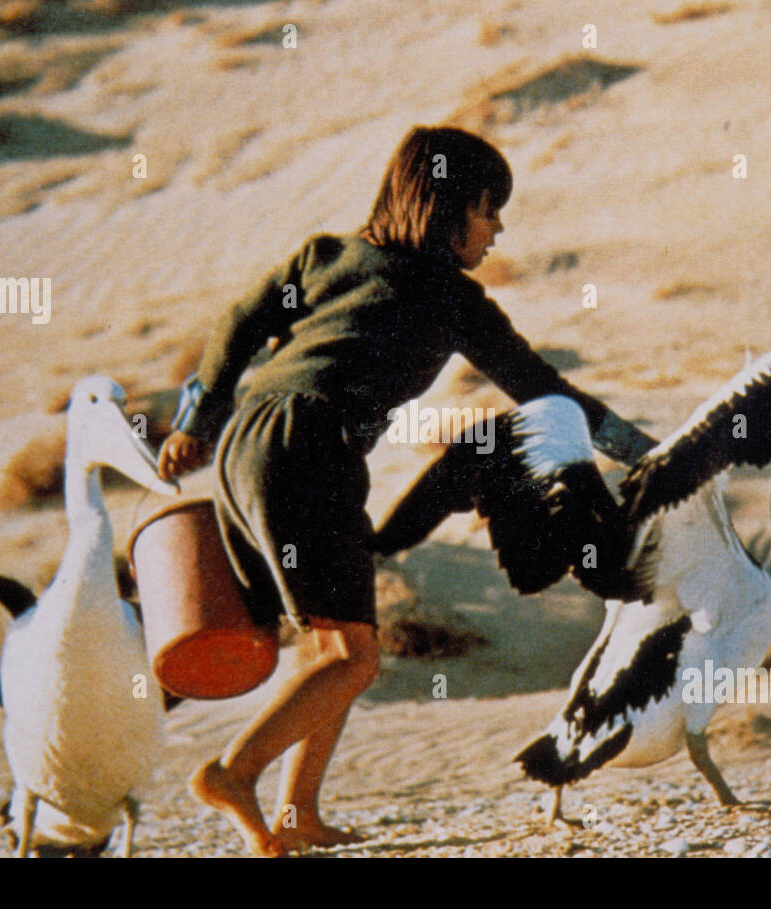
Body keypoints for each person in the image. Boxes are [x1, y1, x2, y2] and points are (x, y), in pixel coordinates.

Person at [157, 125, 655, 856]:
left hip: (249, 442)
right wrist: (644, 453)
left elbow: (238, 321)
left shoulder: (326, 255)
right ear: (449, 207)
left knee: (328, 645)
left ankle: (298, 815)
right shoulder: (455, 300)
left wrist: (198, 420)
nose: (499, 228)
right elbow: (542, 390)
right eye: (490, 209)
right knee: (353, 659)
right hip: (308, 449)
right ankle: (234, 772)